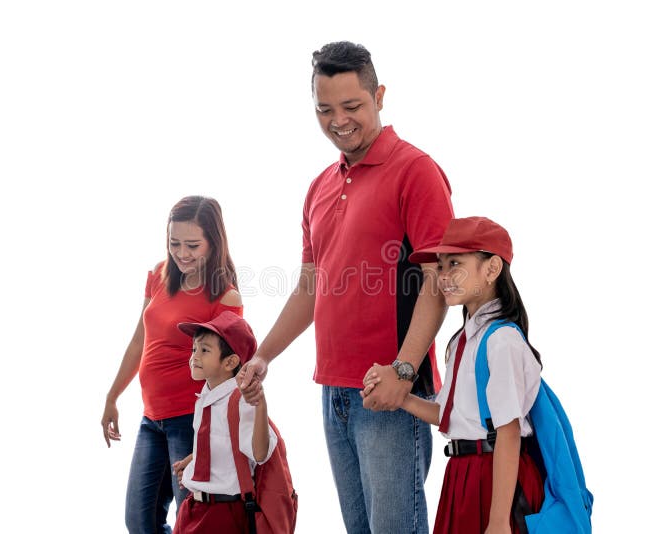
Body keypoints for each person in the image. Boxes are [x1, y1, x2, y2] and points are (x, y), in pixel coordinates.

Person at [238, 41, 454, 533]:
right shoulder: (319, 186)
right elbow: (309, 287)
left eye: (352, 105)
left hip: (390, 392)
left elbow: (438, 280)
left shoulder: (415, 171)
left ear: (379, 96)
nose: (339, 121)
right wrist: (263, 355)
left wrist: (404, 370)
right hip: (333, 390)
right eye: (324, 109)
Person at [362, 217, 545, 534]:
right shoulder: (463, 340)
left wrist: (498, 521)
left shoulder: (502, 342)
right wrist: (397, 396)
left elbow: (508, 433)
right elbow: (450, 414)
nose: (443, 276)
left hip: (495, 477)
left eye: (455, 264)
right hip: (461, 476)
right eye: (440, 265)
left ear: (492, 269)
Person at [101, 195, 243, 534]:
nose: (181, 253)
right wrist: (112, 396)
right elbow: (140, 341)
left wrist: (210, 443)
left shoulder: (224, 297)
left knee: (191, 522)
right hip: (152, 418)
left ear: (214, 242)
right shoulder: (159, 275)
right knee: (140, 521)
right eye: (174, 242)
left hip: (191, 422)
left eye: (192, 245)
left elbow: (230, 376)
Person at [170, 311, 277, 534]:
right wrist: (193, 460)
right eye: (194, 349)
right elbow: (220, 439)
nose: (194, 356)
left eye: (204, 350)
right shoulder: (205, 396)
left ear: (230, 362)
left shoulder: (241, 401)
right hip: (193, 508)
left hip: (223, 512)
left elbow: (259, 454)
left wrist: (260, 406)